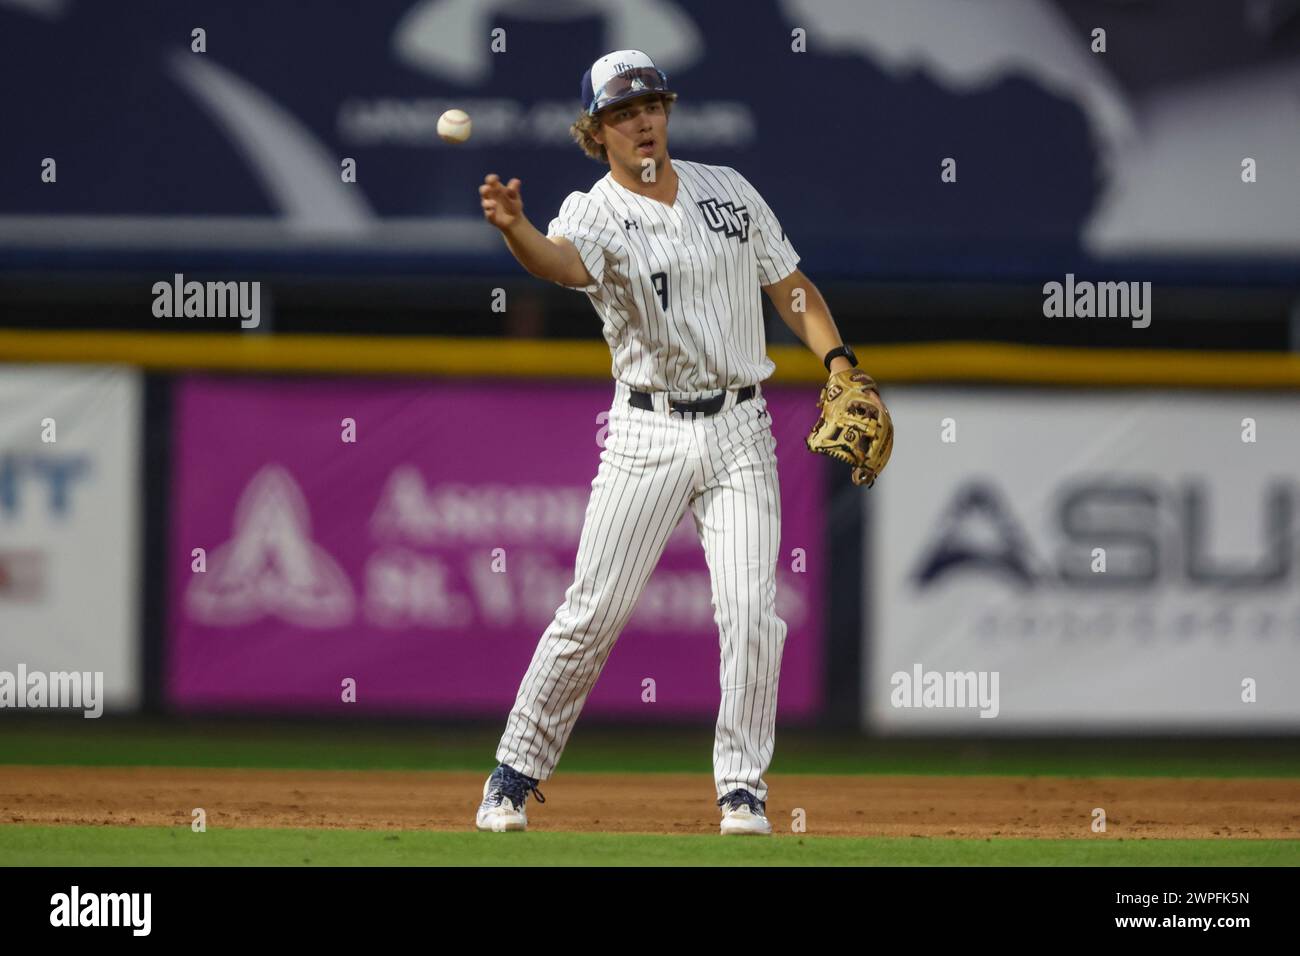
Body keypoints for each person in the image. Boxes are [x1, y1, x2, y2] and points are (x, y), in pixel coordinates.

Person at [474, 49, 862, 835]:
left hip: (740, 428)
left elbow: (791, 287)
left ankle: (742, 789)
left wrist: (840, 362)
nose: (642, 120)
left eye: (650, 104)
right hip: (645, 433)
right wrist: (518, 231)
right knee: (593, 612)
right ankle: (511, 777)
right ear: (596, 131)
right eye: (621, 112)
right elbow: (561, 265)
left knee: (754, 612)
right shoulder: (592, 209)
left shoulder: (730, 191)